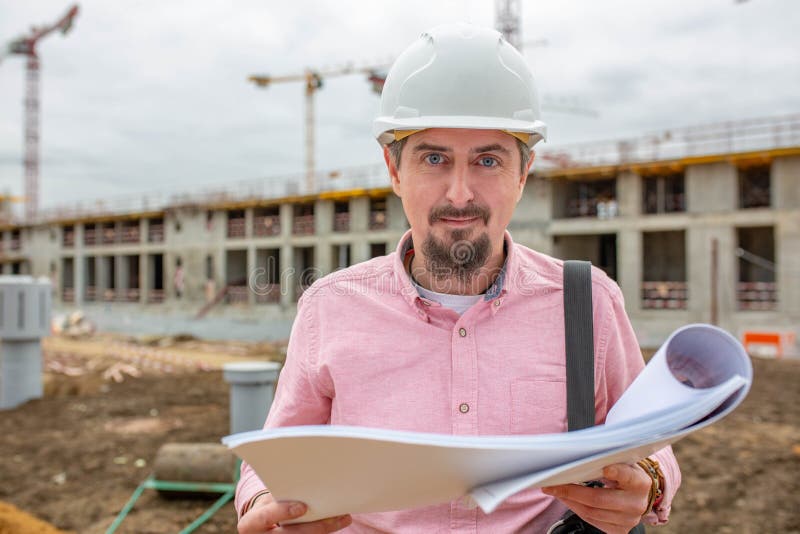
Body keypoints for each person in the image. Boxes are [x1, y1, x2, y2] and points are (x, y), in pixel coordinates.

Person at [235, 23, 680, 534]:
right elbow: (272, 461)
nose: (461, 193)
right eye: (434, 159)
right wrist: (264, 503)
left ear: (523, 173)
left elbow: (651, 442)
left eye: (488, 160)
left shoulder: (587, 302)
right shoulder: (330, 307)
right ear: (394, 170)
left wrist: (648, 479)